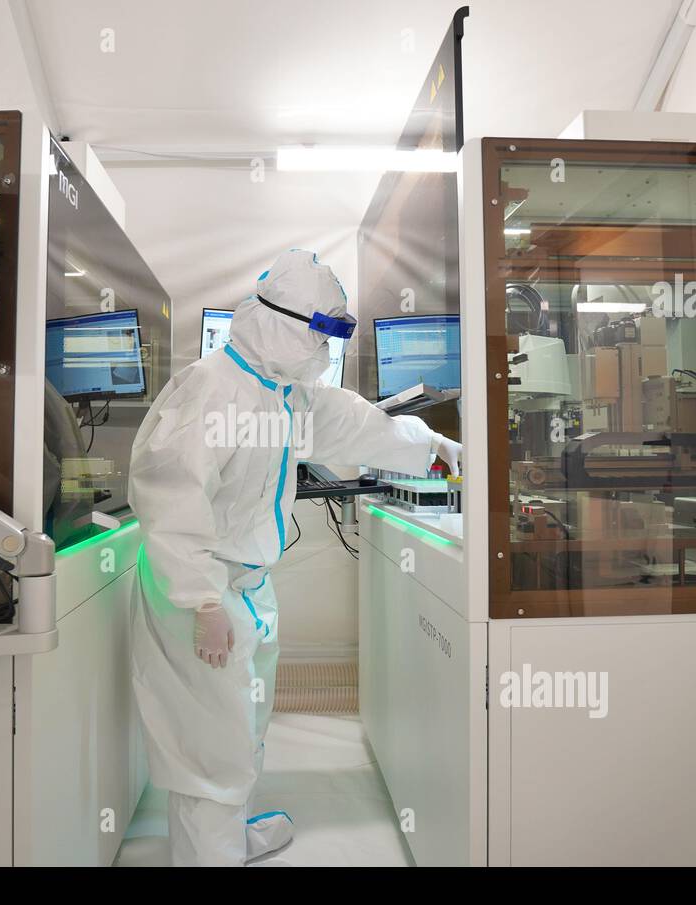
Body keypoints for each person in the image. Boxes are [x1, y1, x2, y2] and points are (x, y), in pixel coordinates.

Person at [128, 250, 462, 866]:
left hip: (246, 586)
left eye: (333, 334)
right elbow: (169, 503)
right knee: (211, 743)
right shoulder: (210, 390)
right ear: (276, 321)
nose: (323, 348)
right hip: (201, 592)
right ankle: (210, 857)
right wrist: (201, 601)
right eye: (319, 331)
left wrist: (438, 446)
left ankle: (220, 840)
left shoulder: (284, 396)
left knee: (244, 724)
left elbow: (360, 426)